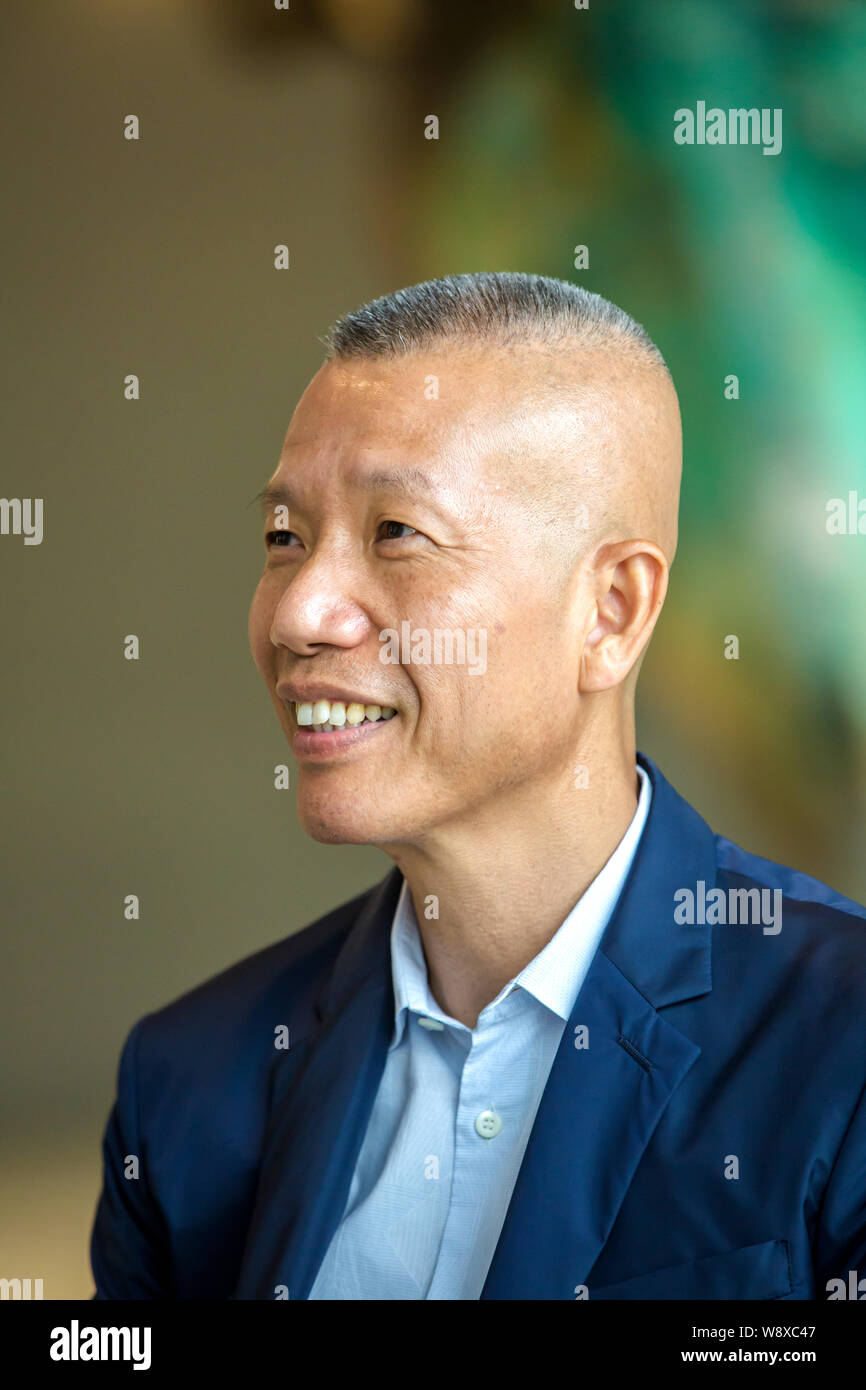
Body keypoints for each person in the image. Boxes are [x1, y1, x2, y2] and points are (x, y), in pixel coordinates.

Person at [91, 272, 866, 1300]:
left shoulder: (838, 1045)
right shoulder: (189, 1083)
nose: (298, 615)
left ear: (609, 610)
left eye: (395, 533)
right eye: (284, 537)